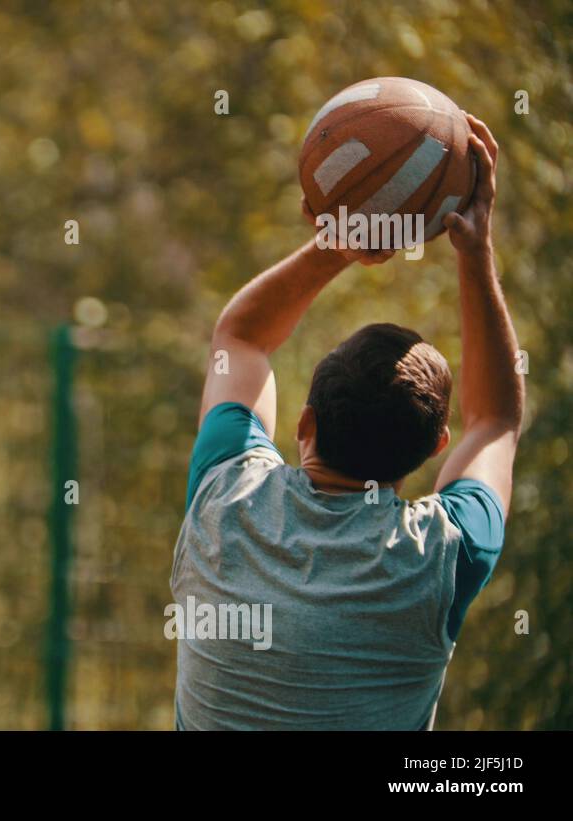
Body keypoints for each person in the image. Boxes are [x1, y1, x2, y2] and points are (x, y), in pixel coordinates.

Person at [171, 114, 522, 730]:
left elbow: (241, 337)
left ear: (305, 424)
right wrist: (476, 250)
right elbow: (495, 421)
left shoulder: (224, 498)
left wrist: (341, 240)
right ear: (434, 448)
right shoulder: (441, 558)